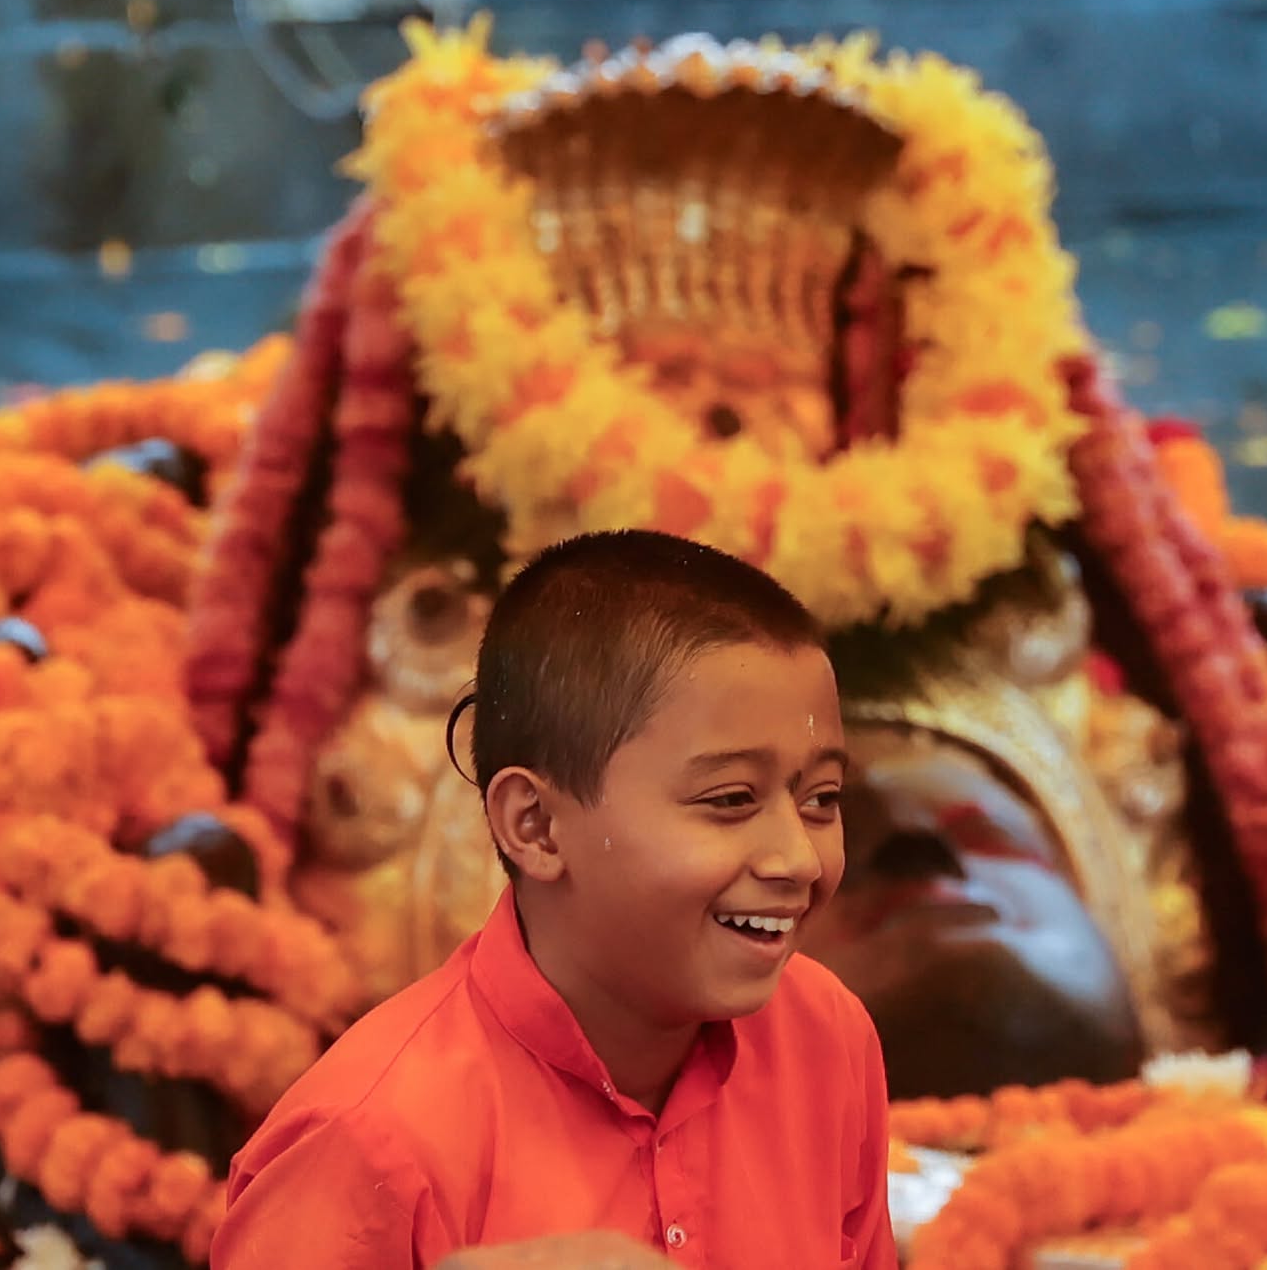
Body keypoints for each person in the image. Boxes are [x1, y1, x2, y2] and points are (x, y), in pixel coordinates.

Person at [211, 530, 897, 1269]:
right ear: (535, 825)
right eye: (731, 798)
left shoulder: (825, 1040)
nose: (798, 857)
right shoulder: (370, 1137)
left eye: (822, 798)